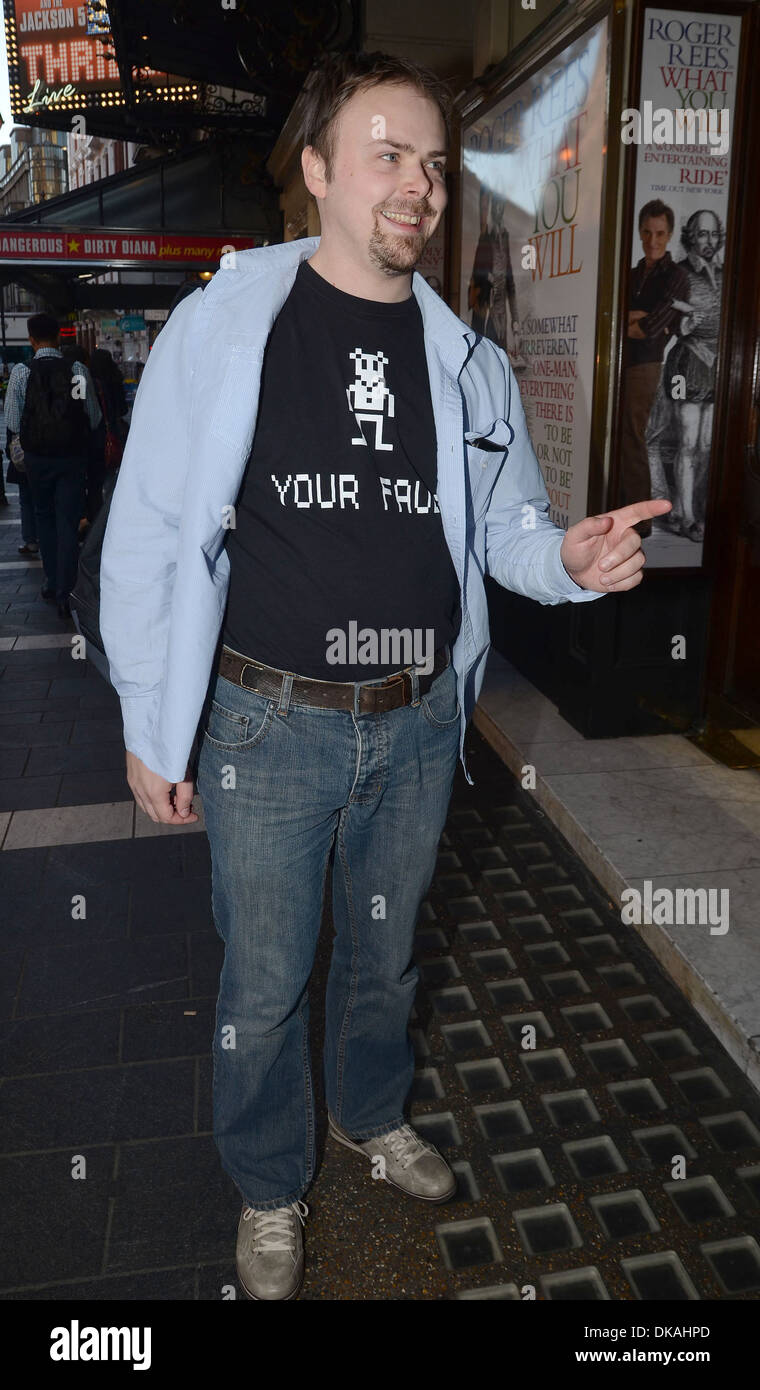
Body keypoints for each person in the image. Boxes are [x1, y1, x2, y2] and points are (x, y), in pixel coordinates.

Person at [100, 49, 669, 1302]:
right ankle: (265, 1183)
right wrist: (153, 722)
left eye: (433, 164)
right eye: (386, 156)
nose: (416, 187)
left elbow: (509, 533)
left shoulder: (467, 359)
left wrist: (570, 557)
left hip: (415, 726)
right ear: (316, 172)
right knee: (261, 976)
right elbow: (150, 525)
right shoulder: (230, 320)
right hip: (264, 724)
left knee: (386, 955)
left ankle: (368, 1116)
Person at [5, 313, 102, 617]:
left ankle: (51, 580)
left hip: (37, 461)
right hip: (71, 459)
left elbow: (11, 422)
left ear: (32, 339)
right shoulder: (77, 370)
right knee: (68, 522)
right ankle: (67, 589)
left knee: (44, 518)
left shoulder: (21, 373)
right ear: (60, 337)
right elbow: (94, 417)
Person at [645, 208, 723, 542]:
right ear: (690, 235)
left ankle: (682, 507)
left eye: (713, 234)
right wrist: (684, 318)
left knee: (706, 444)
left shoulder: (722, 273)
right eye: (702, 234)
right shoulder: (678, 272)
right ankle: (687, 518)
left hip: (716, 365)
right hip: (687, 363)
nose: (708, 241)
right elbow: (664, 311)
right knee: (687, 441)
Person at [619, 200, 690, 538]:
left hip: (645, 364)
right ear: (639, 231)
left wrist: (634, 319)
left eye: (660, 233)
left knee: (632, 436)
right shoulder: (631, 274)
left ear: (670, 234)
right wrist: (635, 318)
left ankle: (641, 521)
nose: (652, 240)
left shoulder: (676, 278)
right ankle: (621, 510)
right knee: (616, 436)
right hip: (619, 363)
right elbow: (618, 320)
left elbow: (650, 328)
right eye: (647, 232)